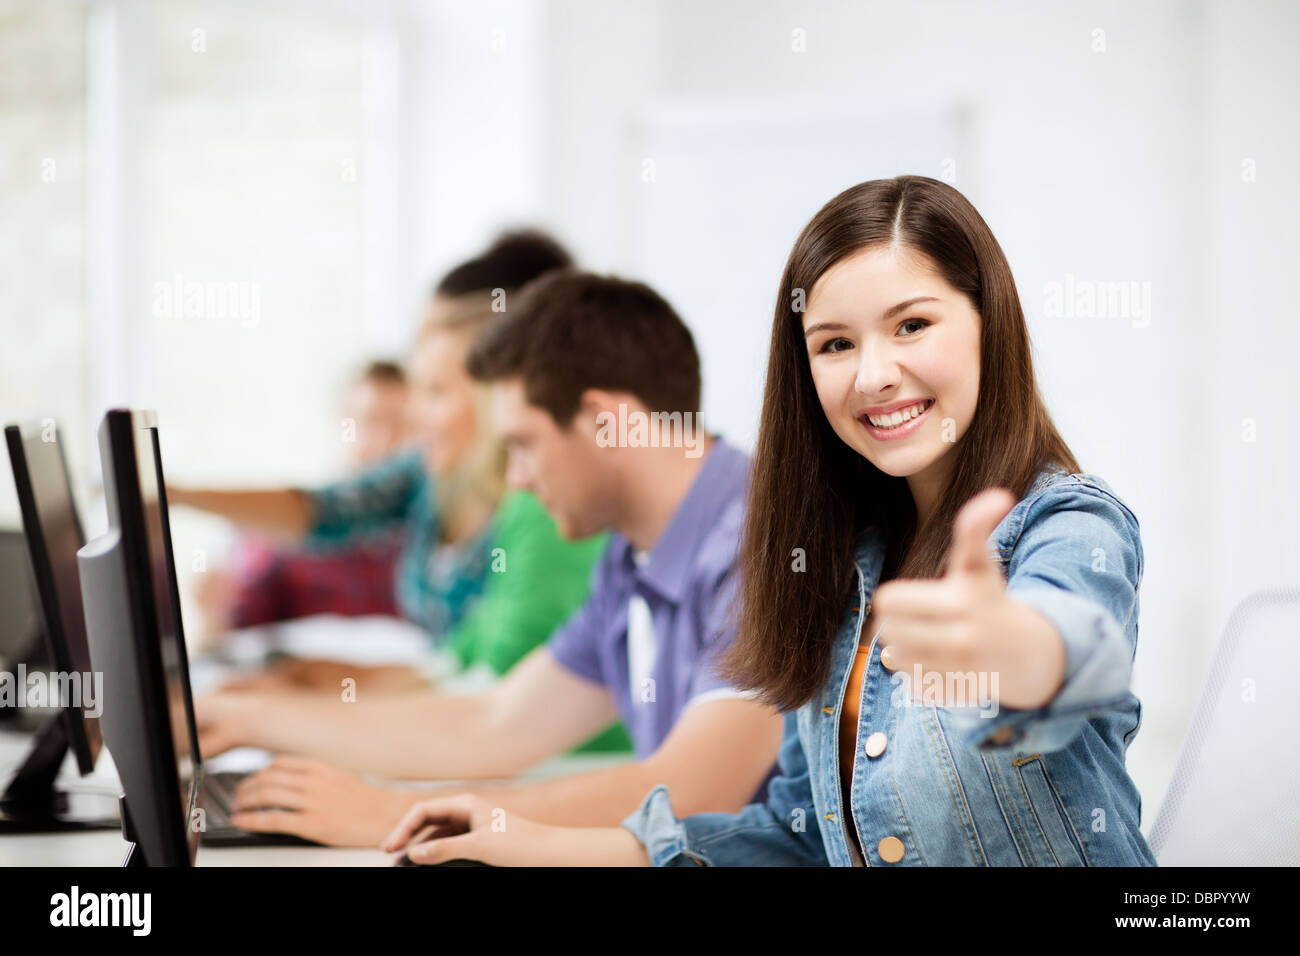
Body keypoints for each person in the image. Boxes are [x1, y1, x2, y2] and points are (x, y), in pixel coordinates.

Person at [379, 175, 1158, 867]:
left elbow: (1077, 644)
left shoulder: (1068, 521)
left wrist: (1020, 651)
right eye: (835, 344)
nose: (875, 374)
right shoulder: (841, 559)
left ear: (991, 322)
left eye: (913, 325)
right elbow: (795, 835)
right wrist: (532, 840)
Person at [193, 272, 784, 847]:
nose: (518, 482)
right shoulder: (631, 555)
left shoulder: (759, 544)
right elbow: (498, 723)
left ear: (607, 422)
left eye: (523, 445)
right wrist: (249, 717)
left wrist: (399, 814)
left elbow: (697, 790)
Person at [193, 359, 413, 640]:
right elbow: (234, 632)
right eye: (370, 423)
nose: (385, 442)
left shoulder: (433, 538)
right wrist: (213, 613)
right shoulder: (284, 531)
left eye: (401, 425)